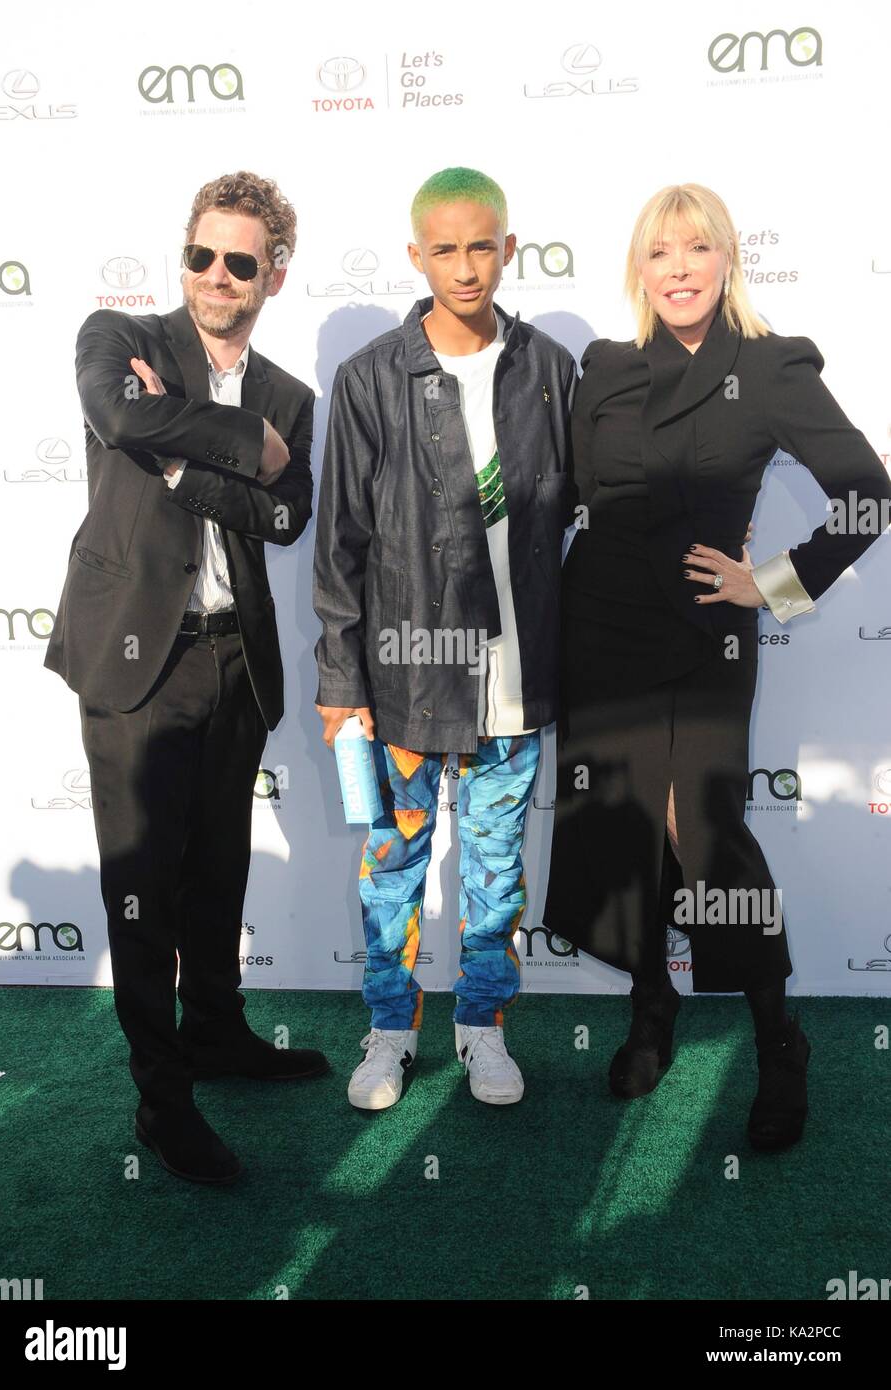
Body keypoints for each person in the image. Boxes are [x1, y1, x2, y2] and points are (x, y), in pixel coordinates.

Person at [543, 183, 891, 1151]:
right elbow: (565, 496)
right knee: (622, 825)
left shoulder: (770, 366)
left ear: (727, 258)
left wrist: (773, 583)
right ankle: (650, 1005)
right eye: (660, 252)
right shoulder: (606, 367)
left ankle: (779, 1037)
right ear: (639, 270)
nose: (679, 268)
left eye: (697, 247)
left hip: (705, 634)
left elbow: (868, 493)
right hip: (601, 629)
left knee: (701, 827)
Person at [46, 171, 328, 1185]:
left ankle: (215, 1030)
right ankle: (161, 1104)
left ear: (272, 277)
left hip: (233, 658)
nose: (215, 275)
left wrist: (183, 459)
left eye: (239, 262)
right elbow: (122, 422)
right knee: (142, 889)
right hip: (135, 658)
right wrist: (242, 444)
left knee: (218, 870)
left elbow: (285, 515)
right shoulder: (118, 339)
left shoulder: (291, 396)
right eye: (201, 255)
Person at [313, 167, 577, 1110]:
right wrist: (341, 679)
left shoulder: (549, 368)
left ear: (509, 249)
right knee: (394, 868)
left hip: (515, 675)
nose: (465, 267)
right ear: (416, 256)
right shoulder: (371, 377)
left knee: (498, 874)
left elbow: (583, 507)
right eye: (445, 249)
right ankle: (390, 1031)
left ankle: (483, 1027)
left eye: (481, 247)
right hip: (406, 677)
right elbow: (339, 541)